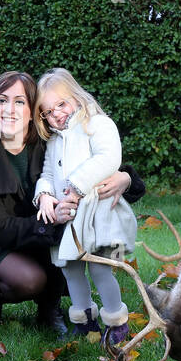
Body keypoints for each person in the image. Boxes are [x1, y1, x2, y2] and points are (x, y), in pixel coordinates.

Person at [0, 71, 145, 335]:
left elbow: (95, 164)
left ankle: (50, 308)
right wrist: (51, 217)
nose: (10, 109)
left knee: (61, 241)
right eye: (2, 100)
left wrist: (125, 179)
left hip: (37, 234)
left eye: (20, 102)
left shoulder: (49, 138)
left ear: (32, 111)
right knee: (30, 276)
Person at [34, 68, 137, 345]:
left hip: (95, 210)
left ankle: (117, 321)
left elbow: (108, 158)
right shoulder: (55, 140)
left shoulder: (96, 124)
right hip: (67, 216)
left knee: (100, 267)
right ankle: (84, 320)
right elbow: (46, 172)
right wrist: (44, 194)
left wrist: (78, 185)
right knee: (70, 268)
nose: (56, 114)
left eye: (61, 104)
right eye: (47, 112)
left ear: (76, 97)